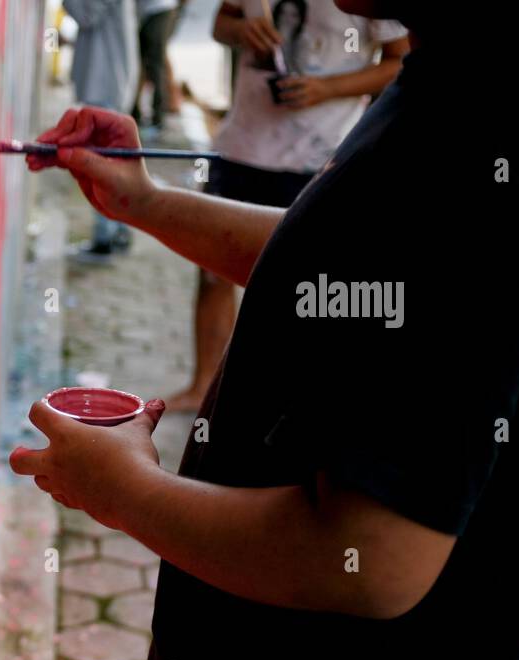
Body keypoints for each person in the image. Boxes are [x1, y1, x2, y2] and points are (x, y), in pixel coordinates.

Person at [13, 3, 519, 660]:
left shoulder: (488, 132)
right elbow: (344, 265)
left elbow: (373, 559)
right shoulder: (461, 75)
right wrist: (143, 201)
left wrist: (121, 491)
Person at [165, 1, 409, 412]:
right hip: (241, 145)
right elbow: (221, 23)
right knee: (211, 274)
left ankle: (283, 401)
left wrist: (326, 89)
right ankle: (204, 384)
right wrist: (243, 31)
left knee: (303, 282)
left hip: (319, 157)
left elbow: (400, 62)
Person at [65, 0, 139, 261]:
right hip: (110, 79)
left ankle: (104, 237)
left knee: (102, 163)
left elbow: (85, 14)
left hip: (105, 80)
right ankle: (117, 230)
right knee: (112, 159)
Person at [133, 0, 181, 136]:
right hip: (146, 12)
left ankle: (158, 116)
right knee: (141, 63)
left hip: (159, 8)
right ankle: (137, 114)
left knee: (156, 64)